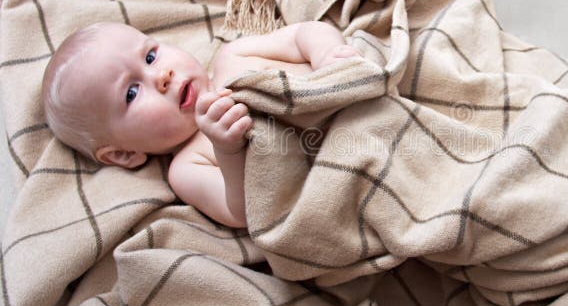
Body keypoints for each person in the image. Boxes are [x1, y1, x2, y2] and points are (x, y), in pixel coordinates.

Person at [41, 21, 363, 229]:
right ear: (124, 154)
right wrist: (228, 150)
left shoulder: (233, 56)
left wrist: (327, 53)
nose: (162, 76)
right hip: (348, 168)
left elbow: (302, 34)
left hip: (358, 100)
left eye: (150, 56)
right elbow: (242, 213)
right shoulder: (187, 167)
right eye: (131, 92)